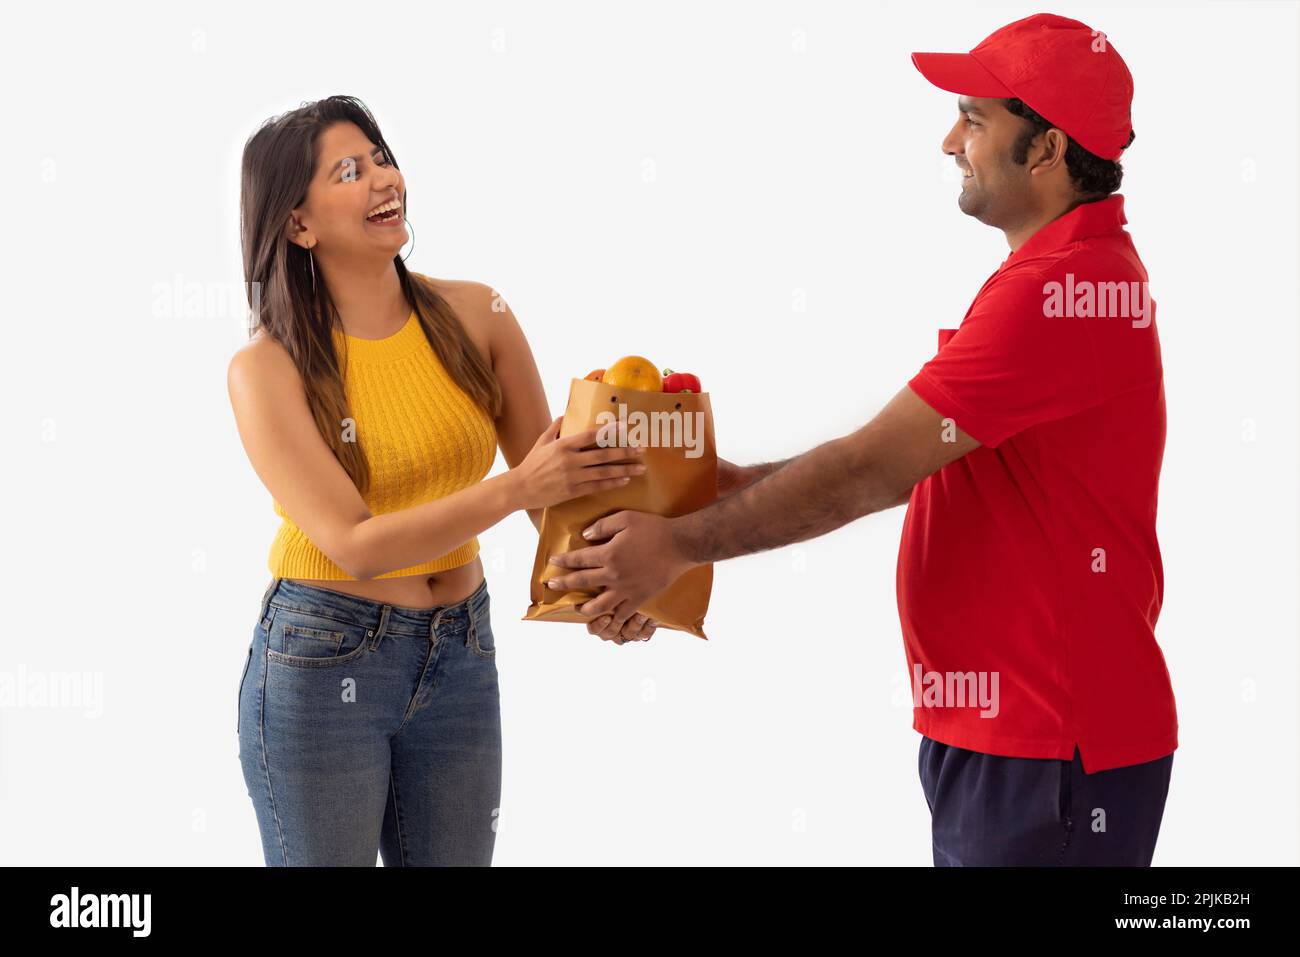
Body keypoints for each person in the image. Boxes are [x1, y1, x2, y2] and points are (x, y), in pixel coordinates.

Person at [548, 14, 1178, 866]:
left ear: (1048, 150)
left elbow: (871, 469)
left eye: (976, 118)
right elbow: (912, 455)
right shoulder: (1059, 277)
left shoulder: (1062, 290)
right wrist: (727, 487)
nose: (950, 139)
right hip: (1014, 739)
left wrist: (679, 544)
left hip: (1047, 743)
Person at [228, 95, 653, 866]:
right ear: (299, 224)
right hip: (324, 664)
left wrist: (619, 592)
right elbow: (355, 544)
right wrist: (517, 488)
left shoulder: (477, 313)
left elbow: (557, 497)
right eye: (348, 172)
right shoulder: (266, 369)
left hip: (460, 648)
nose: (381, 179)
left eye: (381, 157)